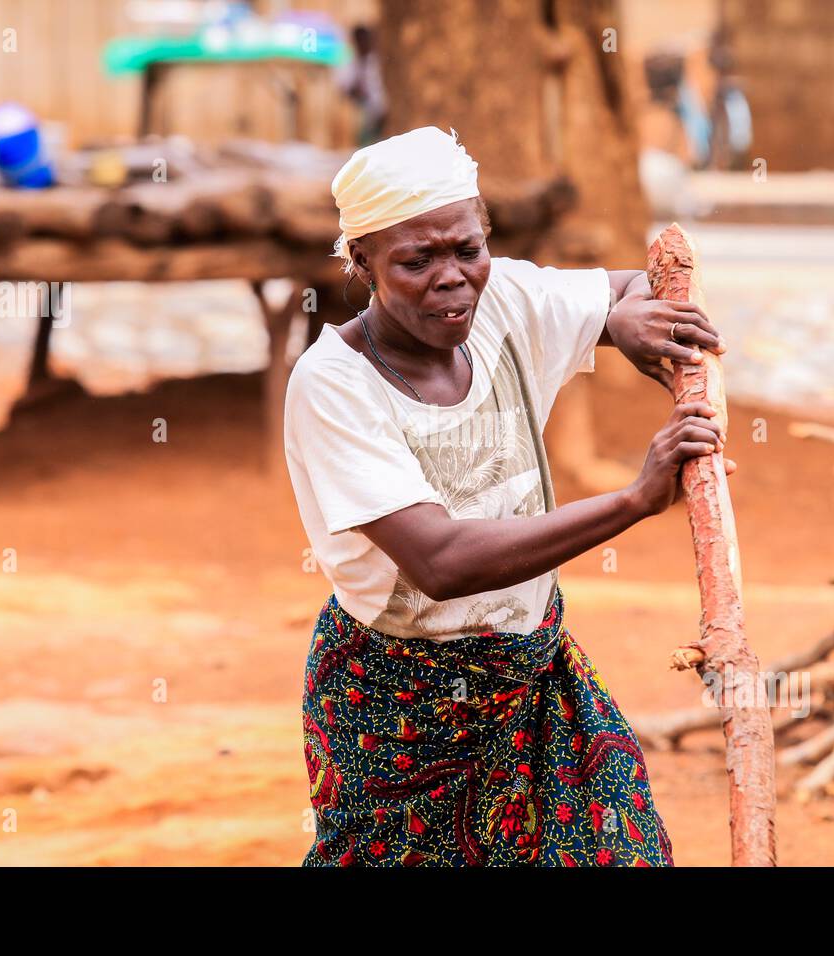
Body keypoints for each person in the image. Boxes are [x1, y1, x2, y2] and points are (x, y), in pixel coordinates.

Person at [285, 126, 737, 867]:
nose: (452, 277)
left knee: (620, 852)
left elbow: (630, 284)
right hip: (400, 706)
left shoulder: (506, 301)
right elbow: (442, 561)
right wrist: (633, 500)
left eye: (468, 249)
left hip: (533, 677)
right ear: (361, 262)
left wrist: (620, 321)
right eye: (416, 260)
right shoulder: (333, 387)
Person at [334, 25, 386, 147]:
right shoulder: (350, 61)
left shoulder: (375, 61)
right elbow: (344, 85)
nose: (363, 43)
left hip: (377, 109)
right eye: (360, 40)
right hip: (361, 108)